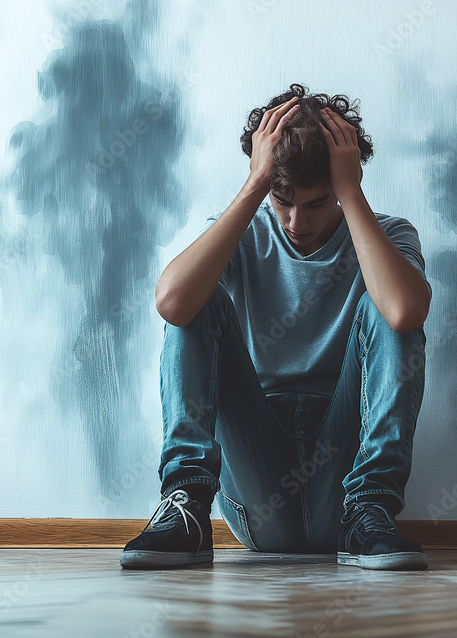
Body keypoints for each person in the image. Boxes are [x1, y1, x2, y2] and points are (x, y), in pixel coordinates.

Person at [120, 83, 431, 571]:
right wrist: (254, 185)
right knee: (195, 301)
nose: (296, 221)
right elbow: (172, 302)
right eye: (282, 199)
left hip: (345, 491)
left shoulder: (388, 234)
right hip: (257, 490)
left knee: (390, 302)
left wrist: (350, 193)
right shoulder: (238, 237)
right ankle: (186, 507)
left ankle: (371, 507)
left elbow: (405, 315)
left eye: (316, 203)